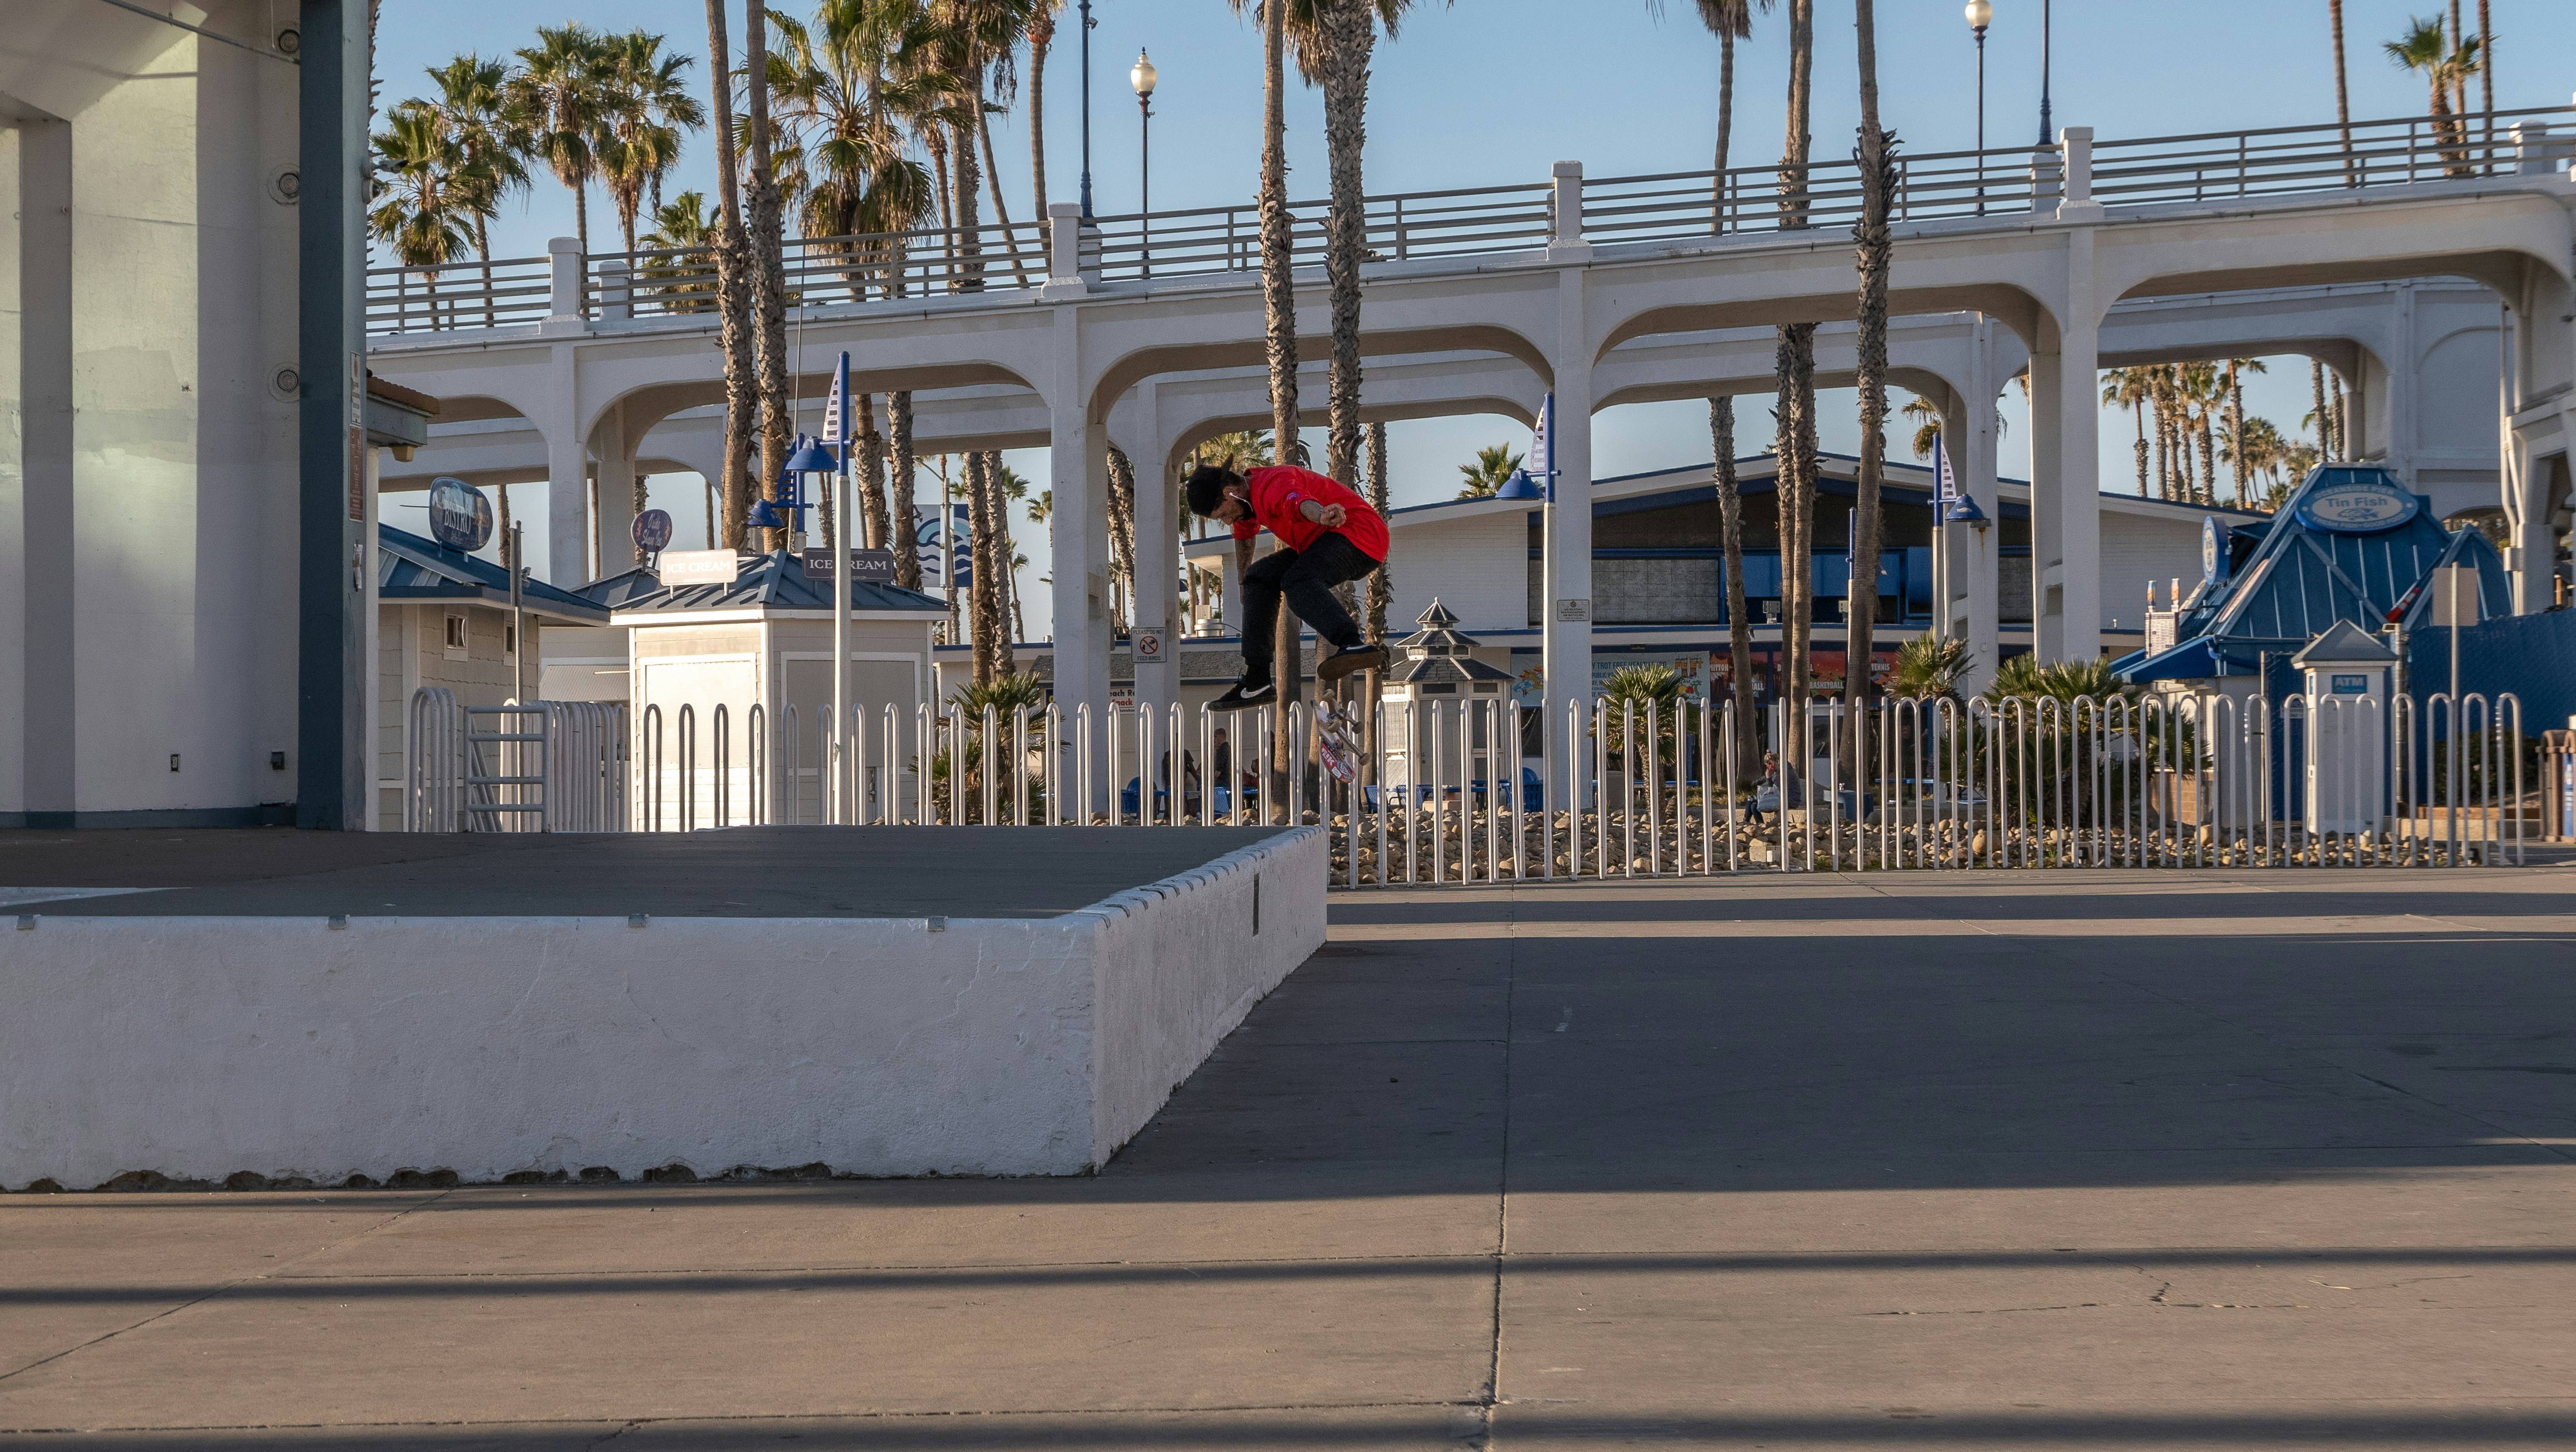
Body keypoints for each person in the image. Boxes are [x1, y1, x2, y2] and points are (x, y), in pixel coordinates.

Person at [1185, 458, 1390, 708]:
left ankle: (1352, 643)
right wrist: (1243, 582)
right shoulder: (1247, 501)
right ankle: (1257, 681)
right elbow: (1244, 535)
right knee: (1258, 578)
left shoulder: (1273, 484)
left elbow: (1297, 501)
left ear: (1232, 493)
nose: (1228, 521)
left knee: (1297, 581)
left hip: (1358, 535)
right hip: (1323, 542)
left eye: (1224, 515)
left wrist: (1321, 514)